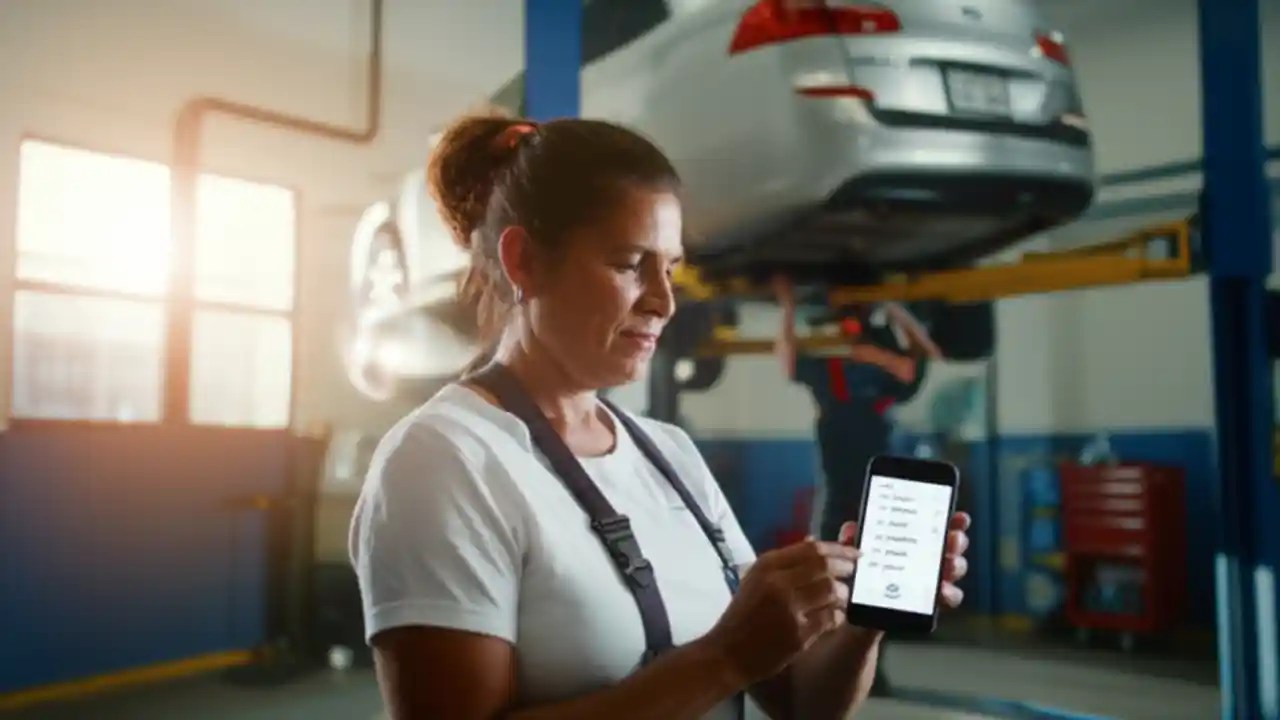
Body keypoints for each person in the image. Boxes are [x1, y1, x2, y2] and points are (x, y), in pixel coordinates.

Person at [349, 112, 971, 720]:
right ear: (525, 263)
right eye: (628, 264)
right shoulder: (443, 462)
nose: (664, 301)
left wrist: (863, 622)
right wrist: (724, 659)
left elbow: (801, 702)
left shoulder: (667, 454)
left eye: (670, 268)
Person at [773, 277, 944, 697]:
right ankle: (817, 666)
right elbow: (788, 357)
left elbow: (923, 356)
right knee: (828, 588)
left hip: (882, 498)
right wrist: (789, 304)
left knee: (875, 590)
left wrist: (895, 310)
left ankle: (871, 670)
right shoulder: (832, 370)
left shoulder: (884, 374)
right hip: (837, 496)